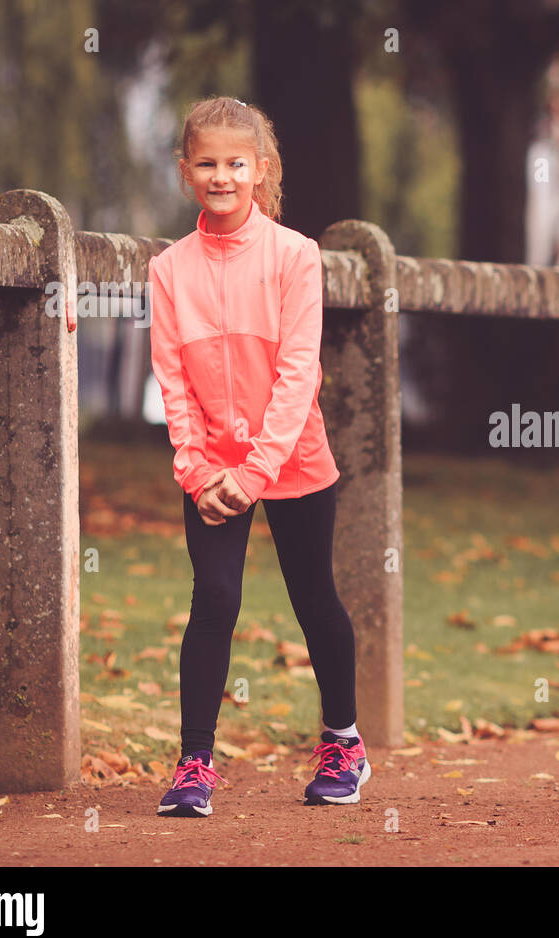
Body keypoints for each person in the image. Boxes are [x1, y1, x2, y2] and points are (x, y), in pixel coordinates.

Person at [148, 96, 366, 817]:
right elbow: (172, 379)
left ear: (260, 170)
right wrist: (199, 470)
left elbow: (300, 373)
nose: (221, 175)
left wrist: (256, 472)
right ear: (187, 172)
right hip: (210, 465)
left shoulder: (297, 257)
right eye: (206, 163)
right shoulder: (169, 270)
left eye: (235, 163)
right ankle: (194, 764)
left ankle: (344, 744)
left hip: (291, 457)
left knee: (314, 599)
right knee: (214, 599)